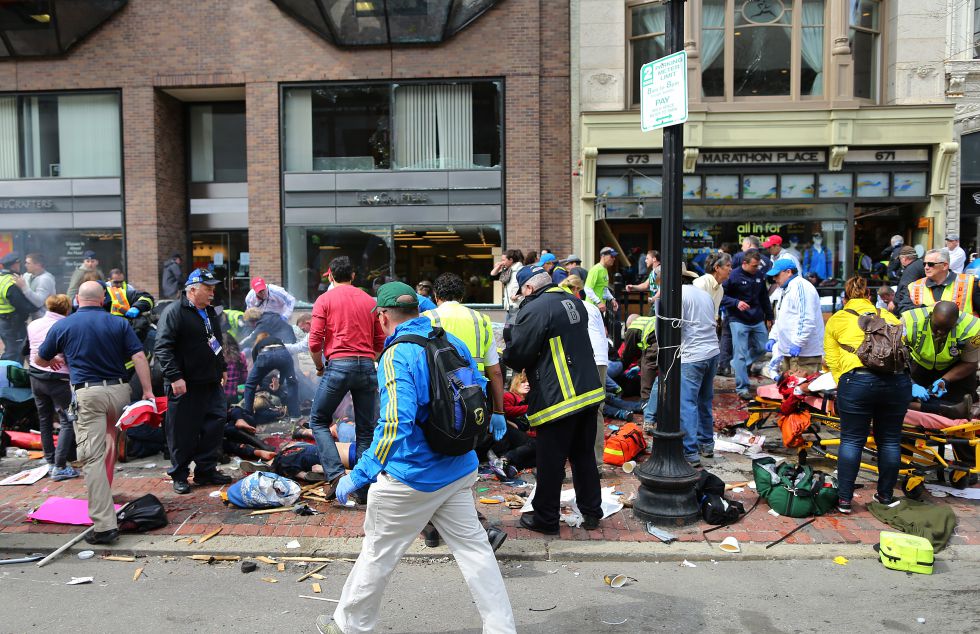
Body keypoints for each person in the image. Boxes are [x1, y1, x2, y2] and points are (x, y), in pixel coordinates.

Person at [316, 281, 515, 634]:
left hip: (411, 477)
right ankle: (501, 629)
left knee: (378, 554)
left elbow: (395, 425)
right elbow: (479, 392)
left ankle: (348, 627)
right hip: (457, 468)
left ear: (381, 317)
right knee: (475, 551)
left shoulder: (397, 354)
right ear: (419, 310)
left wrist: (357, 476)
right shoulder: (452, 342)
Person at [34, 281, 154, 544]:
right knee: (110, 444)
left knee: (92, 456)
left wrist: (54, 360)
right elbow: (140, 357)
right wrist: (147, 391)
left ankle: (104, 526)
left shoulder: (64, 325)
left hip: (88, 394)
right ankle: (105, 492)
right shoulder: (119, 323)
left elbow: (39, 359)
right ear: (102, 300)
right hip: (120, 392)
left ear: (77, 299)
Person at [502, 265, 604, 535]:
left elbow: (519, 354)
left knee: (550, 462)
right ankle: (592, 511)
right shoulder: (573, 301)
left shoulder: (535, 308)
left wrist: (507, 351)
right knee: (583, 456)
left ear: (529, 288)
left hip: (558, 397)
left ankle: (546, 519)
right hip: (588, 393)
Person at [824, 276, 911, 513]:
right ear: (869, 297)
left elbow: (831, 360)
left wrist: (845, 383)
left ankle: (844, 500)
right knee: (890, 440)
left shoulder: (837, 319)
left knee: (852, 440)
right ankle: (885, 496)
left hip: (857, 381)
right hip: (896, 382)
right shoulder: (889, 317)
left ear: (845, 298)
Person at [307, 255, 385, 502]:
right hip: (366, 367)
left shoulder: (324, 299)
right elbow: (380, 342)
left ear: (330, 276)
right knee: (365, 430)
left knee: (318, 420)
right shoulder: (368, 300)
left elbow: (314, 341)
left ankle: (336, 475)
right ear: (353, 276)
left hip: (338, 365)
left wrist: (320, 366)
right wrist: (365, 359)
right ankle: (362, 490)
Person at [154, 268, 231, 494]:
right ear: (193, 289)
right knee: (182, 431)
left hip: (210, 380)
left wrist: (222, 367)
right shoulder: (174, 312)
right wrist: (175, 376)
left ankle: (206, 470)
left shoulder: (209, 312)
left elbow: (215, 342)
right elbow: (162, 347)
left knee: (216, 423)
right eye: (208, 288)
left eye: (213, 288)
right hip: (184, 383)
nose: (212, 293)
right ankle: (179, 473)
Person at [558, 274, 609, 468]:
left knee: (569, 410)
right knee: (596, 412)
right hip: (600, 360)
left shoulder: (566, 308)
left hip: (582, 359)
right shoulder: (592, 308)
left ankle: (561, 464)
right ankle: (596, 464)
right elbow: (602, 335)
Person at [26, 294, 76, 480]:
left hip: (35, 376)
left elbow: (27, 349)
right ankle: (60, 465)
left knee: (44, 419)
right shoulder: (66, 325)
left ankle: (49, 461)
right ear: (67, 308)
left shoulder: (33, 324)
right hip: (58, 378)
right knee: (67, 419)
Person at [902, 301, 980, 419]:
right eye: (937, 327)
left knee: (961, 403)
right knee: (901, 396)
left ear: (956, 322)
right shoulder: (909, 322)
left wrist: (945, 380)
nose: (941, 332)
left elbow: (970, 363)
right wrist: (910, 383)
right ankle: (946, 410)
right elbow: (895, 358)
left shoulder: (973, 328)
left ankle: (955, 410)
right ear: (930, 315)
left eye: (947, 329)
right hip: (919, 364)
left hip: (955, 367)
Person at [676, 265, 722, 467]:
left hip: (692, 355)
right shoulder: (703, 295)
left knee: (687, 403)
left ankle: (690, 451)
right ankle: (707, 444)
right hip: (712, 352)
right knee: (704, 400)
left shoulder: (677, 296)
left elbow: (670, 328)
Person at [721, 250, 773, 400]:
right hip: (738, 319)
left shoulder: (759, 275)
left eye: (757, 266)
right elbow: (721, 295)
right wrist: (736, 303)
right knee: (740, 353)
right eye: (754, 266)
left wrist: (769, 315)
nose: (756, 269)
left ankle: (737, 365)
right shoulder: (733, 276)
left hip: (756, 318)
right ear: (744, 263)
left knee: (763, 347)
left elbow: (764, 297)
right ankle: (742, 387)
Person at [765, 259, 824, 377]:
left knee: (801, 391)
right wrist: (773, 337)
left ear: (788, 272)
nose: (774, 279)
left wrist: (798, 343)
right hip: (789, 353)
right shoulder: (786, 289)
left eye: (777, 275)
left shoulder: (801, 287)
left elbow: (806, 319)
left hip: (804, 355)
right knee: (788, 390)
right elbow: (782, 318)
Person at [902, 248, 980, 315]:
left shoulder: (970, 283)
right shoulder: (914, 286)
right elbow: (903, 310)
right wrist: (928, 309)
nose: (926, 267)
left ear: (945, 266)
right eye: (924, 264)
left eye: (930, 264)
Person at [243, 332, 301, 422]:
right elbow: (284, 369)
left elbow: (256, 366)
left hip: (265, 356)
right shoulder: (277, 340)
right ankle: (295, 415)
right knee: (292, 383)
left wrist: (259, 383)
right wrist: (280, 382)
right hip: (283, 354)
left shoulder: (257, 346)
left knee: (249, 385)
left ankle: (248, 417)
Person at [0, 253, 39, 361]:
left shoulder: (1, 278)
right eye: (18, 263)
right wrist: (36, 307)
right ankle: (8, 376)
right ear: (14, 265)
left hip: (4, 322)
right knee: (14, 352)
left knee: (11, 349)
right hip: (13, 323)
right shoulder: (12, 282)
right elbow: (22, 305)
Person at [694, 252, 732, 318]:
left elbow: (714, 315)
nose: (731, 269)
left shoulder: (720, 288)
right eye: (728, 265)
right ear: (717, 268)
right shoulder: (701, 283)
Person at [585, 247, 619, 313]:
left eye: (614, 257)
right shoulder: (595, 270)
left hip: (600, 308)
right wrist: (598, 302)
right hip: (592, 308)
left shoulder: (605, 270)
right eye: (611, 256)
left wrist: (612, 299)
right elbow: (587, 288)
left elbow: (604, 289)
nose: (614, 259)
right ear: (603, 256)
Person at [22, 253, 56, 318]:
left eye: (28, 263)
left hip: (44, 318)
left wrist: (23, 287)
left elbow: (39, 302)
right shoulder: (26, 275)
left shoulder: (45, 279)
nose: (25, 265)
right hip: (31, 317)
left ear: (38, 265)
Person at [892, 246, 923, 314]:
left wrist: (895, 303)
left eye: (900, 259)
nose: (900, 262)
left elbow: (905, 288)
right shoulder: (919, 264)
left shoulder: (911, 269)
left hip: (909, 306)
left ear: (904, 258)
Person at [222, 333, 248, 403]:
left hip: (218, 397)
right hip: (232, 397)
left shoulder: (217, 357)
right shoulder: (241, 356)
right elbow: (244, 378)